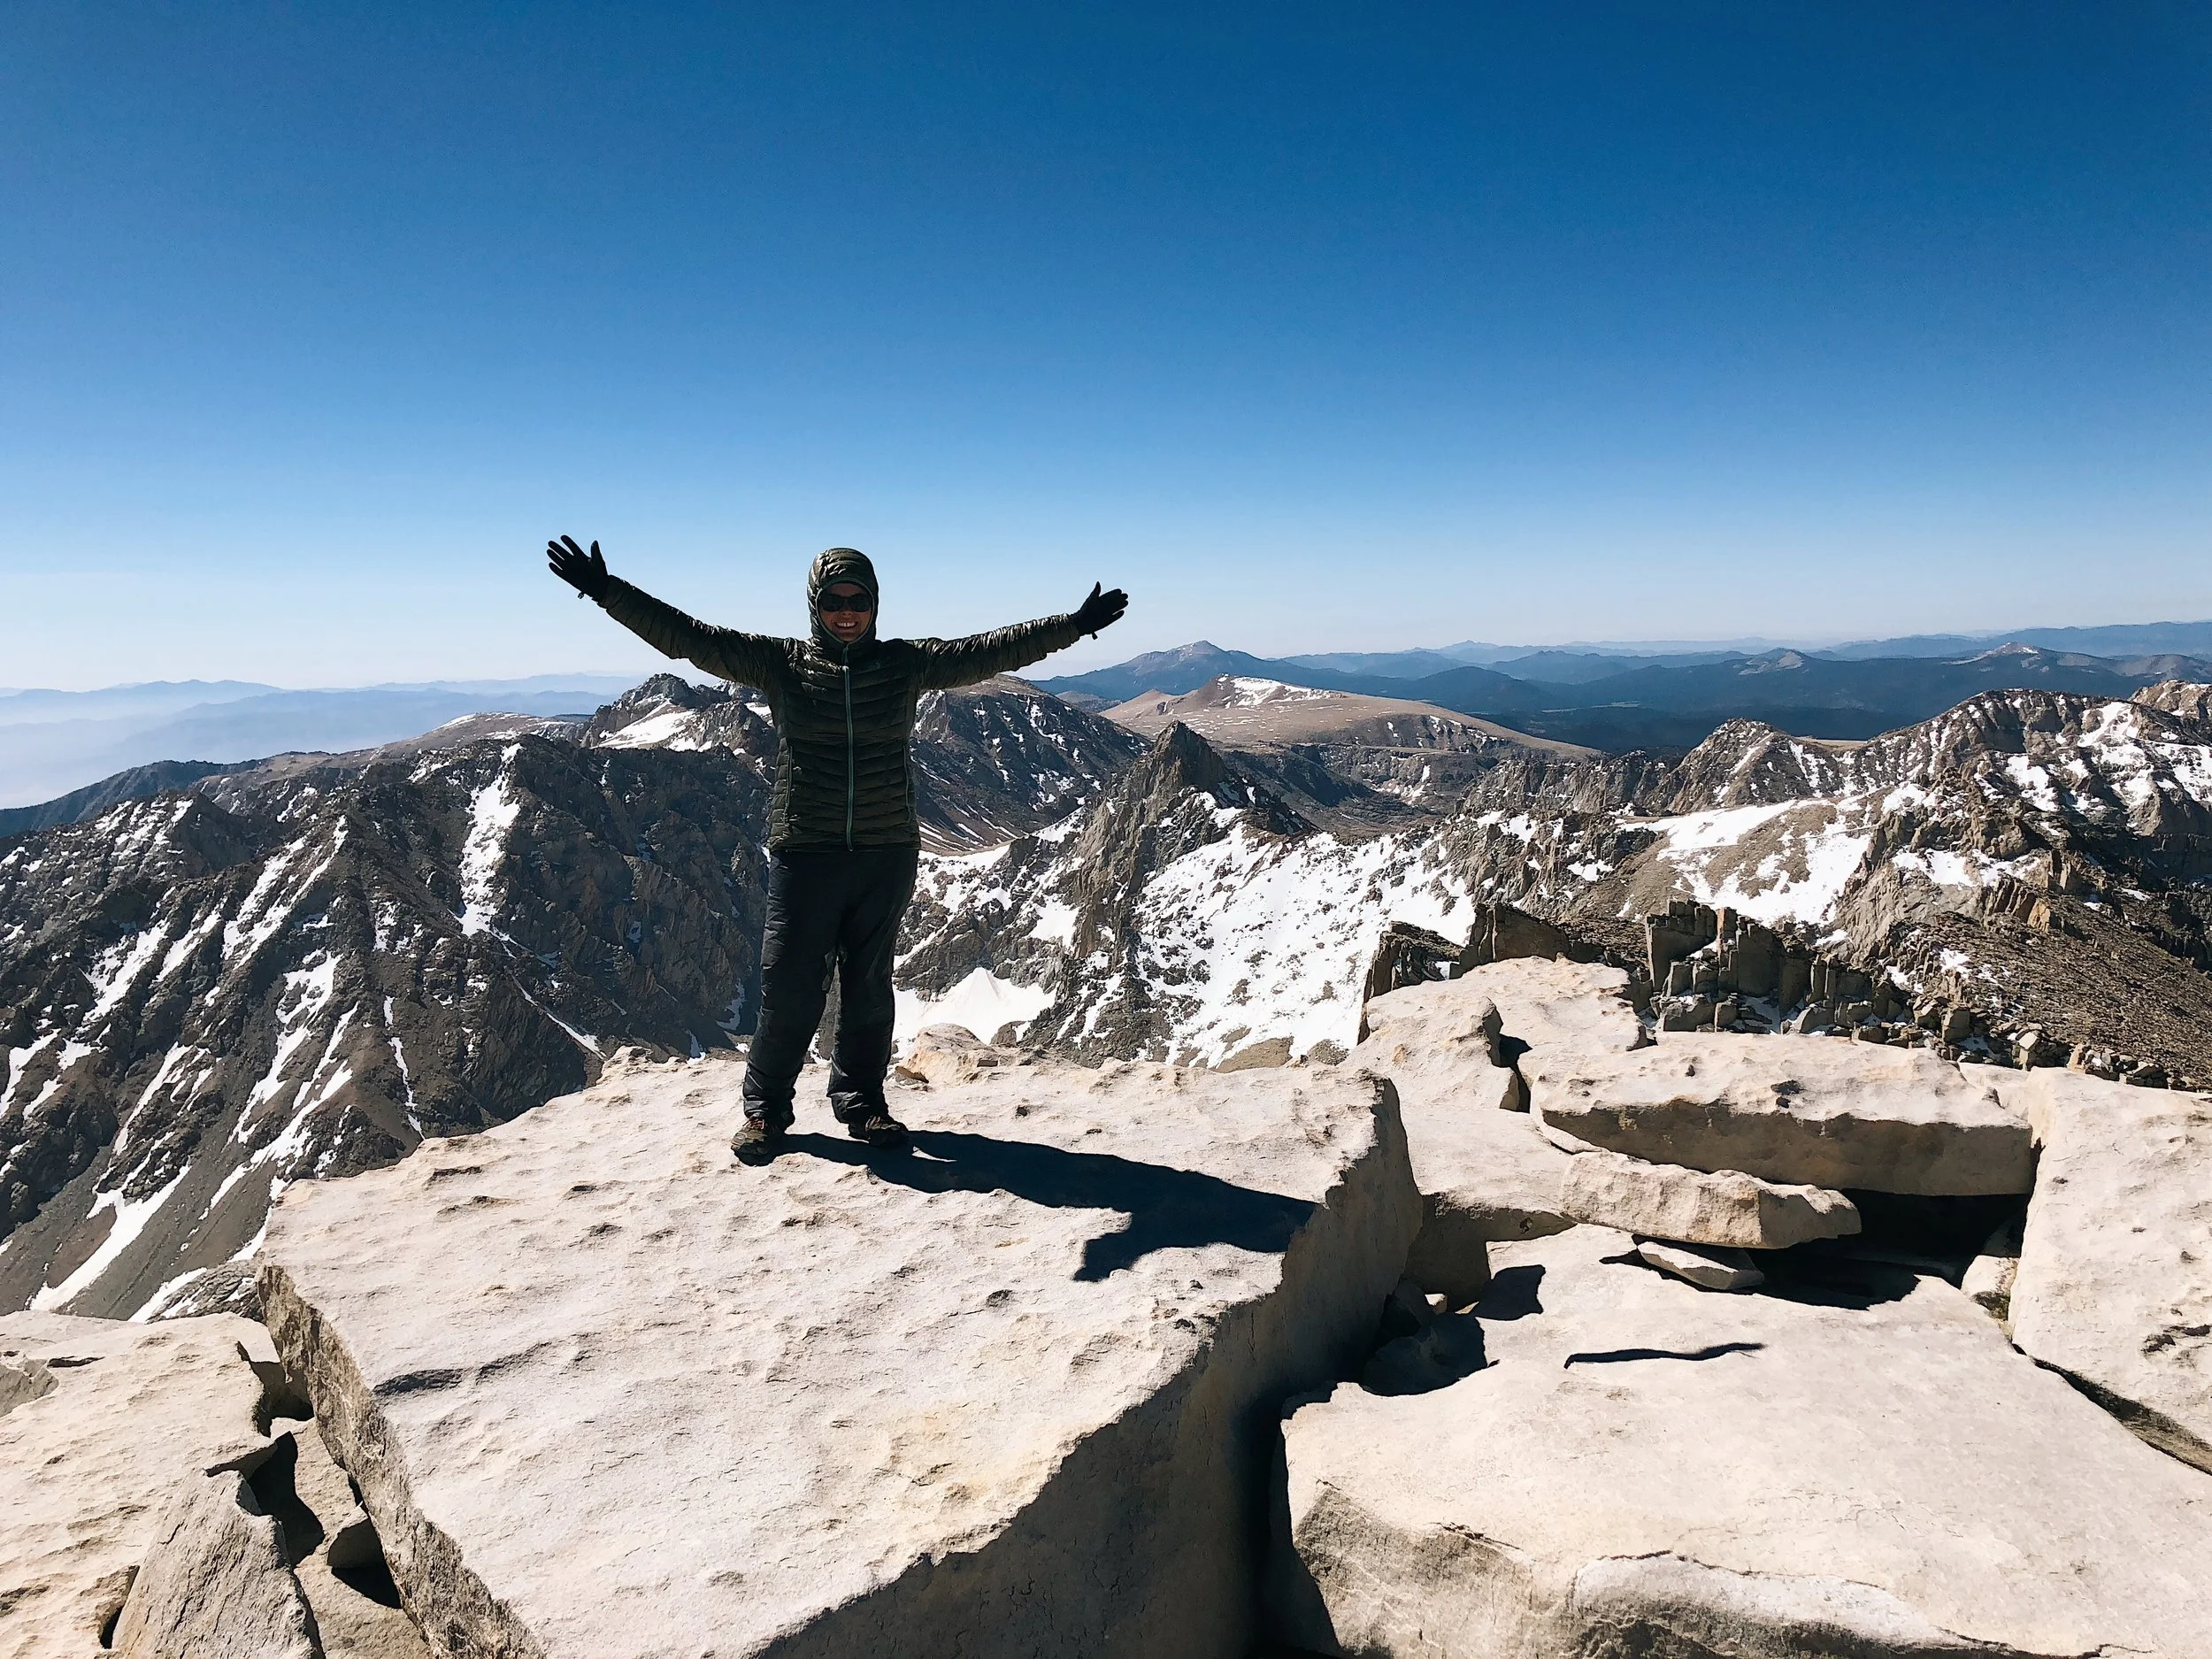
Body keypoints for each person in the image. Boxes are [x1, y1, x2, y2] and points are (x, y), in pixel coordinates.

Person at [546, 535, 1126, 1164]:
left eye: (857, 601)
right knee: (789, 987)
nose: (845, 612)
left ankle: (864, 1105)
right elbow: (688, 637)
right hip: (807, 851)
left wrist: (1072, 625)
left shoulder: (905, 663)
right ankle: (765, 1112)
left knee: (870, 988)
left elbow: (987, 650)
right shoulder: (781, 663)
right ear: (813, 605)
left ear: (875, 605)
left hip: (885, 851)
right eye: (832, 601)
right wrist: (607, 590)